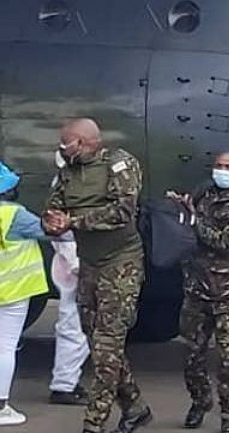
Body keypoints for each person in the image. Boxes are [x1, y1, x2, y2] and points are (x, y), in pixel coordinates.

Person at [42, 118, 153, 433]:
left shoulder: (120, 165)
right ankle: (135, 407)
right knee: (97, 340)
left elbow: (122, 211)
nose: (62, 148)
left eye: (66, 143)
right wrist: (49, 222)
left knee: (107, 347)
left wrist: (73, 221)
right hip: (88, 264)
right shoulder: (68, 173)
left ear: (84, 142)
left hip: (121, 264)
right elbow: (53, 209)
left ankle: (94, 423)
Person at [170, 153, 229, 433]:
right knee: (191, 355)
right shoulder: (203, 193)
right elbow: (187, 228)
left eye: (228, 167)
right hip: (198, 290)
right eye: (218, 166)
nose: (221, 171)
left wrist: (198, 224)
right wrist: (184, 209)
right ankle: (200, 401)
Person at [0, 162, 51, 426]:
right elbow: (51, 230)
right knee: (6, 347)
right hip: (12, 293)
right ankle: (1, 406)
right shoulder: (15, 215)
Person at [47, 149, 89, 407]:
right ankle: (64, 385)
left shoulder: (61, 185)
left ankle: (67, 382)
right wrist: (77, 264)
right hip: (74, 260)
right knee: (75, 326)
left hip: (68, 260)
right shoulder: (71, 187)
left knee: (73, 324)